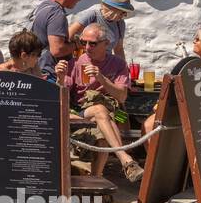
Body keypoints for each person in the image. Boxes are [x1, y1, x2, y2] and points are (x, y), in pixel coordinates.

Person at [59, 24, 142, 183]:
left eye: (93, 43)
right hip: (82, 111)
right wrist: (60, 78)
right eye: (84, 43)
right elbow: (61, 95)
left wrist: (101, 78)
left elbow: (122, 97)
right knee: (99, 109)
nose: (87, 47)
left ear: (106, 43)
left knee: (103, 135)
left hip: (117, 114)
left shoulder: (118, 64)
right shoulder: (76, 63)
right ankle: (126, 159)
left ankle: (96, 181)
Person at [31, 0, 86, 81]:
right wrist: (76, 45)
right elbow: (57, 50)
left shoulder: (43, 6)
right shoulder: (57, 14)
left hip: (36, 68)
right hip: (48, 73)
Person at [70, 0, 135, 61]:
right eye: (123, 12)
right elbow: (69, 35)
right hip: (86, 63)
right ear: (113, 9)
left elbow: (118, 49)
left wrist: (123, 68)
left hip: (107, 65)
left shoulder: (120, 23)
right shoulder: (92, 16)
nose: (125, 15)